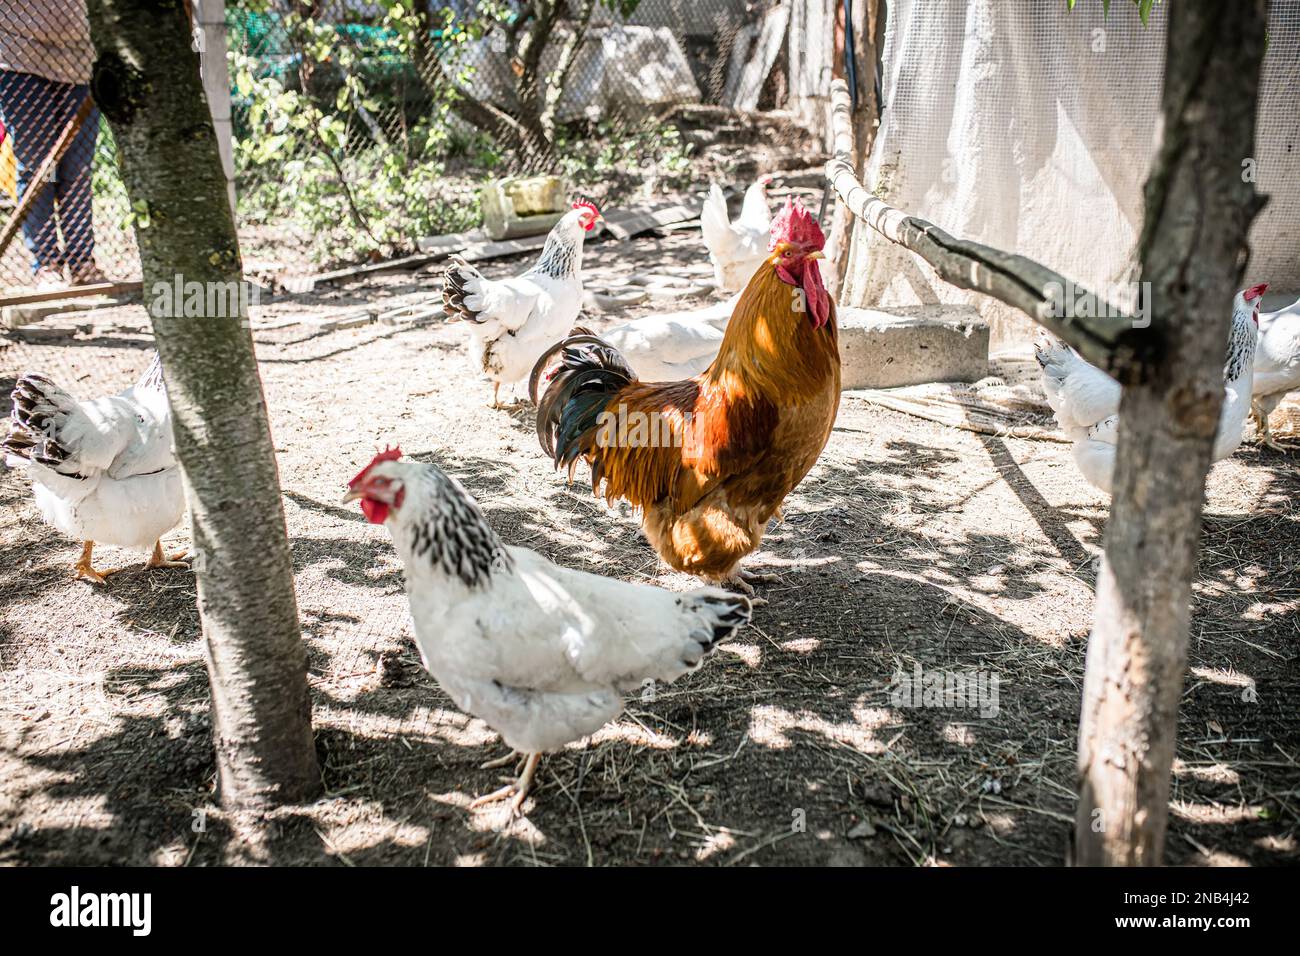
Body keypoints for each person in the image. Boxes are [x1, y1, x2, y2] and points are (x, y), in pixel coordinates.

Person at [0, 0, 105, 287]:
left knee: (78, 169)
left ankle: (82, 261)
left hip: (82, 63)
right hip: (19, 61)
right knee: (40, 170)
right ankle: (46, 264)